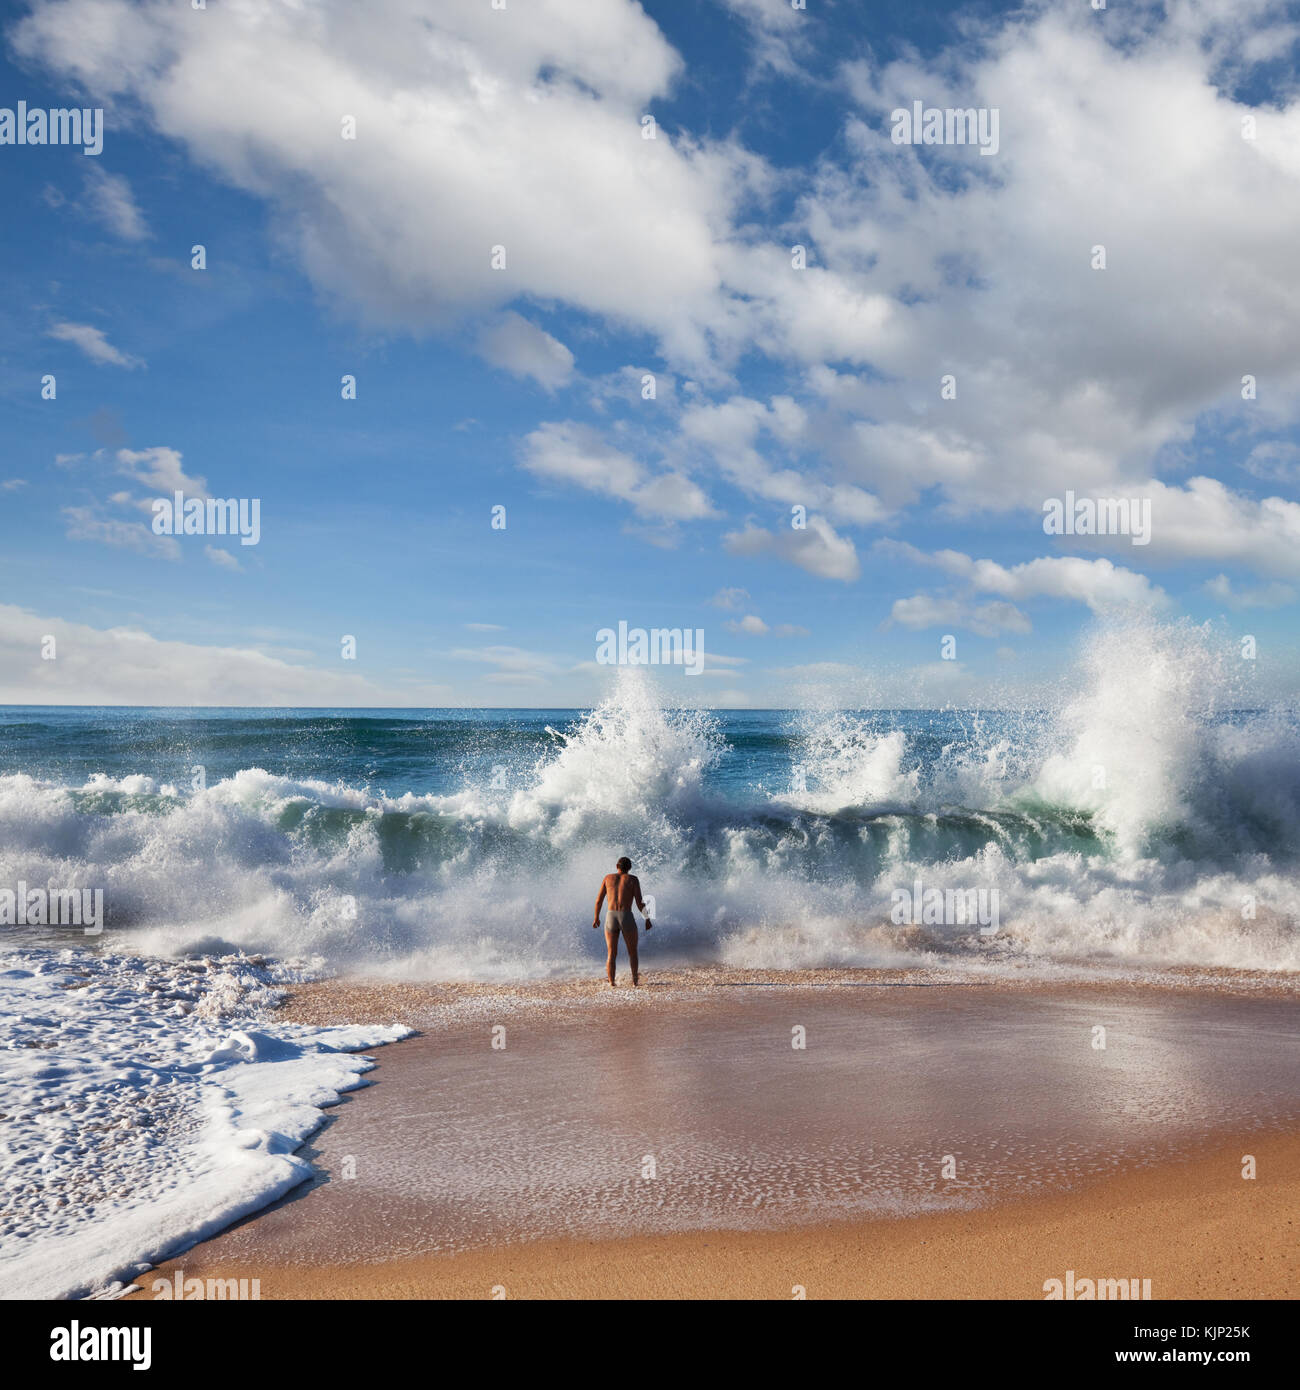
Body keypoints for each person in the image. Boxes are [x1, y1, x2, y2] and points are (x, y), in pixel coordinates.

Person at [592, 856, 652, 987]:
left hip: (611, 917)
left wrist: (596, 917)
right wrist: (647, 919)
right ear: (629, 868)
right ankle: (635, 982)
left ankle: (612, 983)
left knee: (611, 953)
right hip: (626, 916)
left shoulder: (607, 878)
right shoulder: (633, 879)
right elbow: (639, 902)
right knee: (632, 952)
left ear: (616, 866)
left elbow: (598, 900)